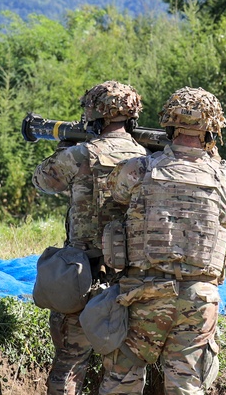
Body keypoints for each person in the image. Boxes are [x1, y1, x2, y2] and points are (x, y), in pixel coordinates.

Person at [99, 87, 226, 395]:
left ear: (168, 125)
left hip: (142, 294)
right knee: (186, 388)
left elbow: (116, 191)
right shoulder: (225, 176)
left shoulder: (140, 168)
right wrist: (213, 157)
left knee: (121, 384)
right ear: (213, 130)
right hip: (198, 298)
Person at [32, 81, 147, 395]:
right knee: (125, 368)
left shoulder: (82, 152)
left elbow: (43, 181)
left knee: (68, 364)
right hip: (130, 276)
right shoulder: (147, 157)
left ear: (96, 115)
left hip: (80, 272)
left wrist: (63, 147)